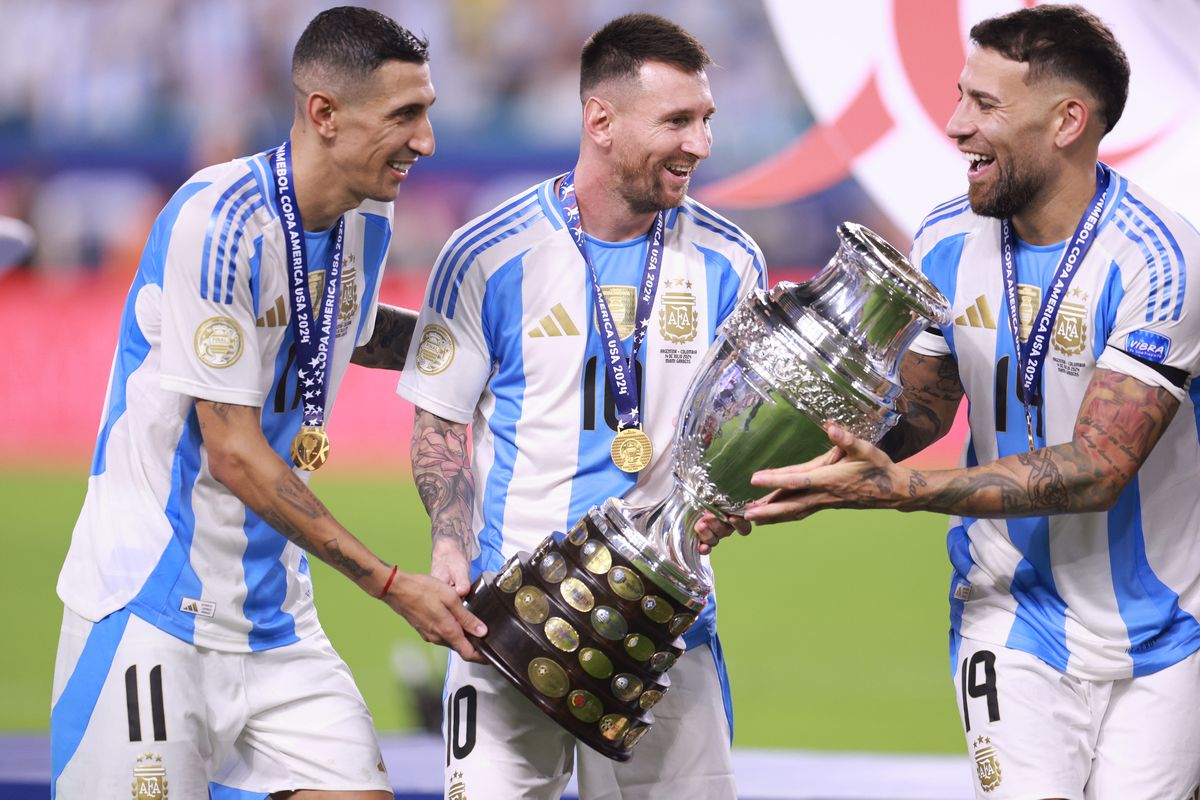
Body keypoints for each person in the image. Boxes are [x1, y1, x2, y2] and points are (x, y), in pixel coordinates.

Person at [742, 5, 1200, 798]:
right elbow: (920, 410)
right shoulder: (947, 240)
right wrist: (807, 451)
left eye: (985, 105)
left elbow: (1098, 469)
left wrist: (898, 491)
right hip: (1010, 616)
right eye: (960, 96)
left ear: (1067, 121)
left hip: (1167, 635)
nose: (954, 126)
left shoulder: (1162, 262)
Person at [50, 8, 487, 800]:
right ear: (324, 113)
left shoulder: (368, 213)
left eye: (427, 112)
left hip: (275, 618)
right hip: (153, 610)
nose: (426, 141)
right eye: (404, 116)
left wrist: (487, 354)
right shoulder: (219, 223)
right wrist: (391, 583)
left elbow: (339, 328)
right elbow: (234, 452)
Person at [397, 13, 765, 800]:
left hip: (665, 635)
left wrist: (734, 496)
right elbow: (441, 417)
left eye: (705, 120)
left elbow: (740, 431)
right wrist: (449, 542)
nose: (700, 143)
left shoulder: (733, 262)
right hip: (506, 623)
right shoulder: (487, 252)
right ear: (600, 120)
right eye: (677, 121)